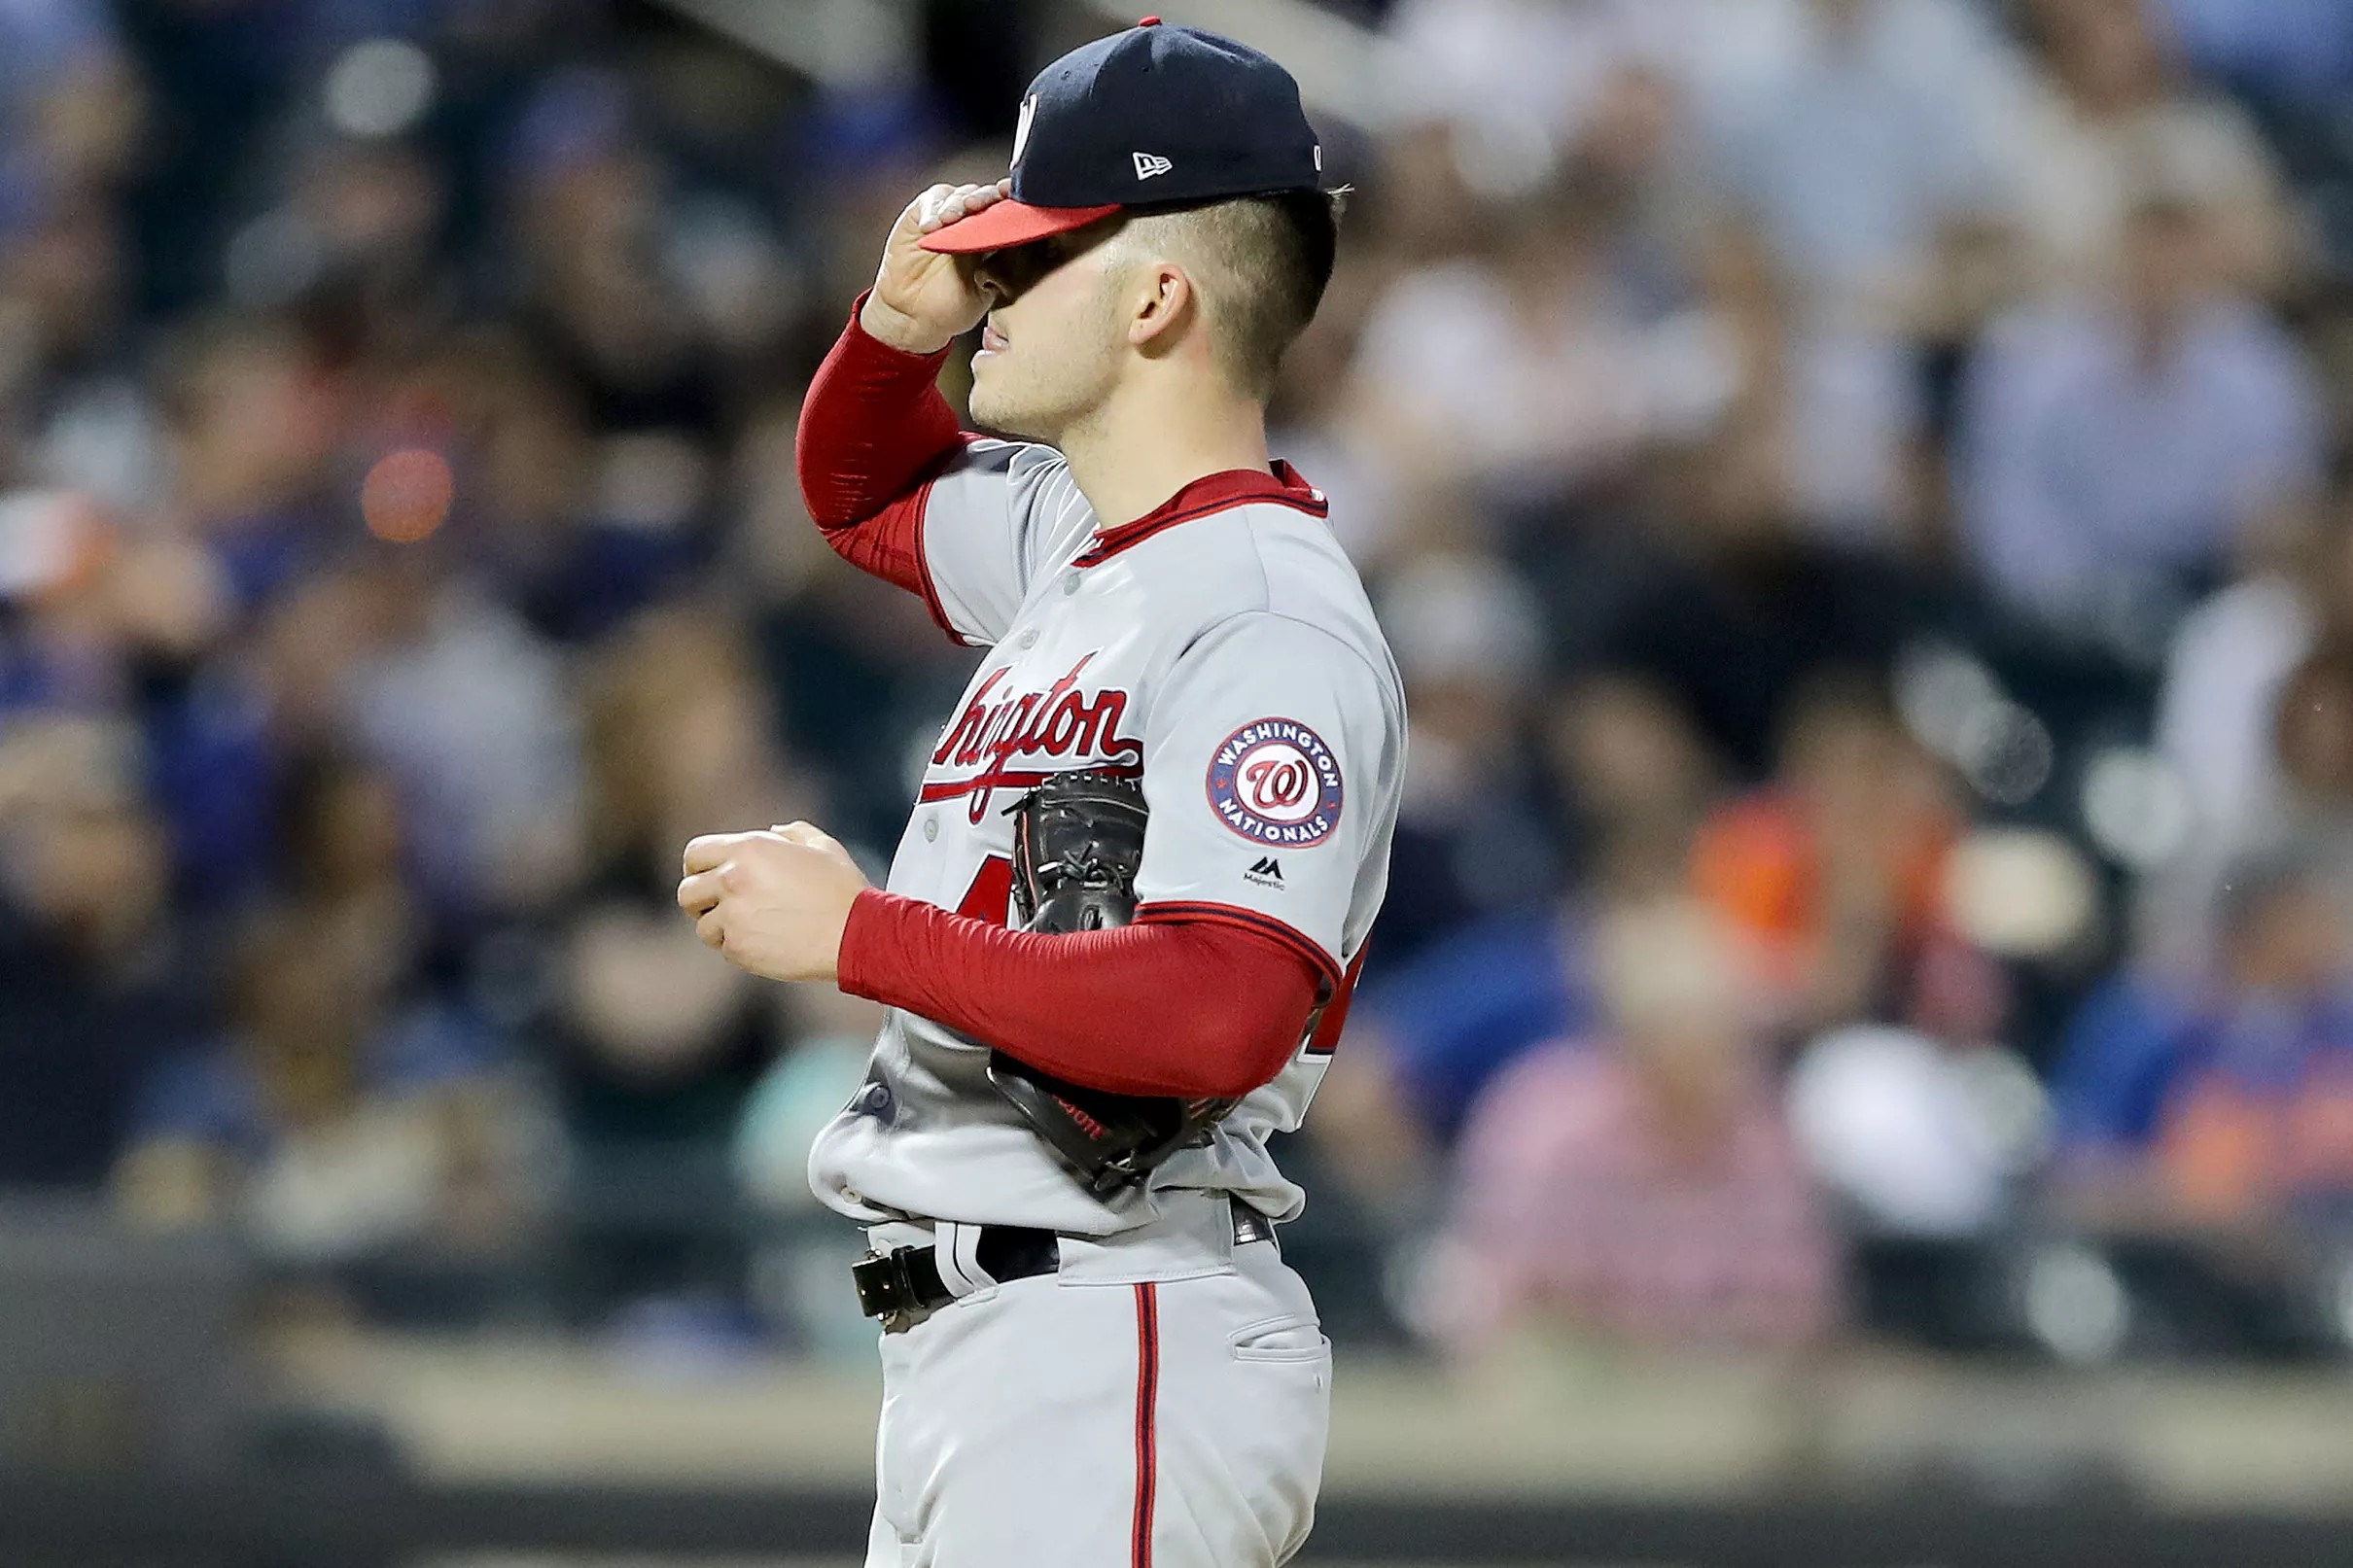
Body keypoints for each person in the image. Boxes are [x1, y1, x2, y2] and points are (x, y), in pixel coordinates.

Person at [673, 21, 1404, 1568]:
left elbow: (1224, 1004)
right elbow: (859, 491)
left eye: (1032, 251)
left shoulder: (1263, 609)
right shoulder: (1085, 536)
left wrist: (863, 934)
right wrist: (888, 325)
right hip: (999, 1349)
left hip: (1113, 1332)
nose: (985, 284)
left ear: (1155, 294)